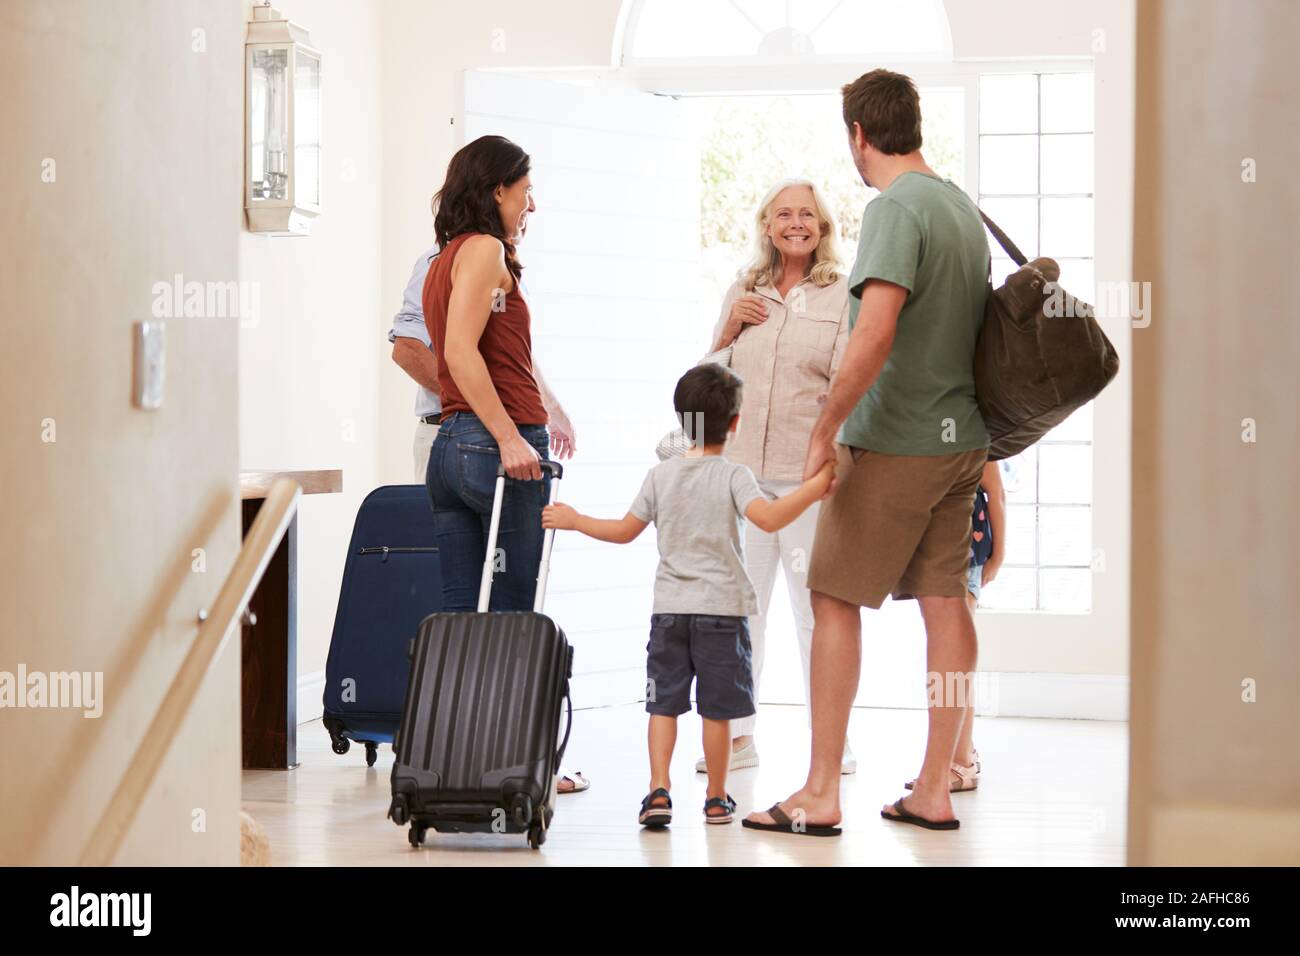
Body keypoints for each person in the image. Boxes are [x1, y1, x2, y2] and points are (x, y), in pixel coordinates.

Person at [744, 69, 992, 836]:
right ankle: (937, 786)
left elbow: (876, 330)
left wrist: (826, 431)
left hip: (896, 441)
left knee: (833, 599)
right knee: (947, 606)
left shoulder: (896, 208)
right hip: (961, 441)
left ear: (858, 135)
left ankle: (820, 793)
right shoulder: (957, 205)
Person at [542, 364, 832, 826]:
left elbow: (623, 532)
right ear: (735, 423)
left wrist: (576, 519)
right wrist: (817, 487)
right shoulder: (735, 476)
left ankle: (658, 791)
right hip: (722, 614)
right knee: (717, 710)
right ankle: (717, 797)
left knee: (663, 704)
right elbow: (771, 520)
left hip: (669, 616)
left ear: (681, 420)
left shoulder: (661, 476)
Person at [422, 134, 586, 793]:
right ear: (497, 190)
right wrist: (512, 439)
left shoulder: (448, 258)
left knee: (463, 622)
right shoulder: (486, 250)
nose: (532, 205)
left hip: (451, 449)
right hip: (495, 448)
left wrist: (551, 408)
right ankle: (521, 768)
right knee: (516, 615)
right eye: (525, 191)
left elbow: (487, 350)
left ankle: (458, 769)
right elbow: (460, 353)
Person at [695, 178, 854, 776]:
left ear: (823, 226)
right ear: (766, 224)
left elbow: (850, 383)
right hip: (745, 481)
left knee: (818, 612)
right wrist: (726, 332)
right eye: (783, 214)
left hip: (811, 478)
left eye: (807, 215)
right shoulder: (744, 289)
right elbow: (707, 384)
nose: (795, 223)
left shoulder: (843, 293)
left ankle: (829, 744)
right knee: (742, 608)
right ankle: (737, 738)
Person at [905, 460, 1004, 793]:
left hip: (969, 549)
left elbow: (996, 494)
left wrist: (998, 555)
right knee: (945, 653)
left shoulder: (976, 434)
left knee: (953, 654)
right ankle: (956, 756)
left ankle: (960, 759)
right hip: (935, 546)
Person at [388, 246, 442, 481]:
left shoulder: (508, 264)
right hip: (445, 431)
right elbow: (407, 350)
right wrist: (476, 404)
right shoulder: (435, 263)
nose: (530, 207)